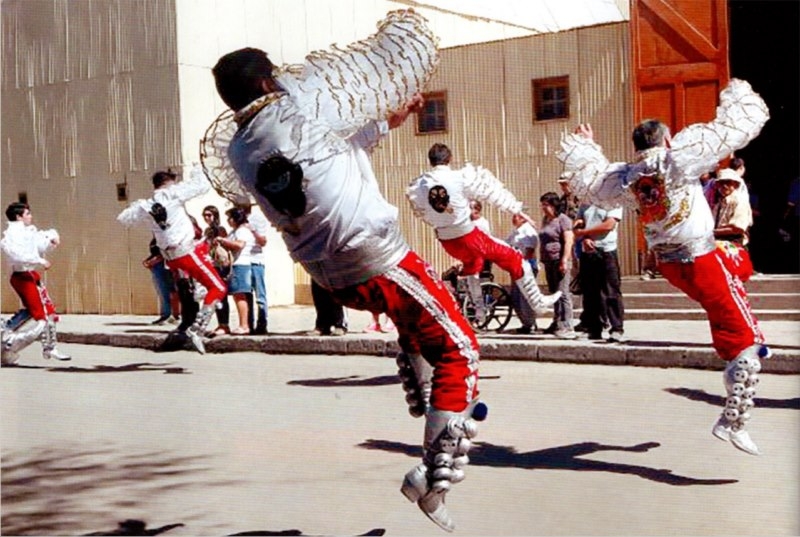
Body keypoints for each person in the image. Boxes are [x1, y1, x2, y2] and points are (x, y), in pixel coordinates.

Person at [205, 10, 485, 531]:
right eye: (276, 73)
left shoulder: (244, 148)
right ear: (268, 82)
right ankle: (433, 478)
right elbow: (342, 115)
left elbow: (332, 154)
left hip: (330, 274)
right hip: (373, 257)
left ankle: (425, 392)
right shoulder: (300, 111)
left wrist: (387, 123)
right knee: (461, 348)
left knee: (419, 328)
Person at [557, 78, 770, 455]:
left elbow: (590, 179)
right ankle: (733, 421)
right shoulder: (677, 161)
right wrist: (738, 96)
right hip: (698, 260)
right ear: (667, 141)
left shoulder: (626, 176)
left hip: (672, 266)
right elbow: (730, 132)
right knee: (750, 341)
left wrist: (587, 144)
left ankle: (729, 353)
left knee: (731, 287)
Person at [406, 143, 559, 324]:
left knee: (472, 267)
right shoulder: (459, 177)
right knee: (516, 259)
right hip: (468, 236)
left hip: (448, 242)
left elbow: (421, 211)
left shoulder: (420, 184)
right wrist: (517, 209)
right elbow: (491, 193)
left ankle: (479, 310)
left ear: (430, 161)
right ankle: (538, 302)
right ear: (450, 159)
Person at [117, 167, 227, 354]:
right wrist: (197, 168)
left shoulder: (147, 204)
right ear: (169, 183)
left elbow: (124, 218)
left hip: (173, 259)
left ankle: (197, 315)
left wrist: (155, 215)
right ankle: (197, 329)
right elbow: (200, 185)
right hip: (185, 252)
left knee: (200, 287)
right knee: (219, 287)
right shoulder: (172, 195)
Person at [0, 202, 71, 364]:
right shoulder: (12, 236)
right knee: (42, 315)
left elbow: (38, 243)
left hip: (30, 275)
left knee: (45, 311)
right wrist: (40, 260)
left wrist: (51, 240)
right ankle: (11, 343)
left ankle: (47, 346)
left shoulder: (27, 232)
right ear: (19, 217)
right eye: (27, 214)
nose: (30, 216)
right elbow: (18, 255)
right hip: (22, 276)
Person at [573, 202, 625, 342]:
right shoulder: (585, 203)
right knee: (590, 292)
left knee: (610, 290)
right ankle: (593, 328)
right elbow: (578, 222)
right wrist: (584, 237)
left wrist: (584, 233)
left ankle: (616, 328)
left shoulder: (613, 201)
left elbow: (609, 225)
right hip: (588, 250)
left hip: (606, 250)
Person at [538, 192, 576, 339]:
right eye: (543, 205)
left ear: (554, 205)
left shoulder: (563, 220)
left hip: (560, 259)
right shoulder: (546, 219)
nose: (544, 208)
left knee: (563, 293)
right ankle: (557, 321)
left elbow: (568, 240)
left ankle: (567, 325)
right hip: (548, 260)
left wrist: (564, 260)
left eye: (546, 205)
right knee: (554, 292)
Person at [215, 207, 256, 335]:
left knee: (239, 295)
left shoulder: (242, 231)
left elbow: (239, 245)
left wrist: (223, 240)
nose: (228, 220)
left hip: (240, 265)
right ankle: (228, 325)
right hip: (233, 265)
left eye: (230, 217)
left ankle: (244, 325)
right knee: (235, 294)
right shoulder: (235, 231)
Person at [504, 212, 540, 334]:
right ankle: (525, 322)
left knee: (525, 297)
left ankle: (529, 323)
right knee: (516, 297)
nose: (514, 218)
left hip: (525, 266)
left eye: (517, 216)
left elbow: (529, 250)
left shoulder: (528, 230)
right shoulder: (516, 231)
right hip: (515, 266)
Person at [202, 205, 232, 335]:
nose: (207, 218)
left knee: (222, 296)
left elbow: (224, 248)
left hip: (220, 266)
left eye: (209, 215)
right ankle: (221, 324)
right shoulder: (207, 230)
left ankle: (224, 325)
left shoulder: (220, 229)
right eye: (204, 215)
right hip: (211, 265)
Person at [240, 203, 269, 335]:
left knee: (260, 295)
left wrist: (253, 230)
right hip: (243, 261)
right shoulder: (238, 219)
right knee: (246, 294)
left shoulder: (257, 218)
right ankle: (248, 324)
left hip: (256, 260)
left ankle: (262, 324)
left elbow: (263, 241)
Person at [711, 168, 753, 248]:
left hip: (733, 243)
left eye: (728, 183)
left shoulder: (740, 201)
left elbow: (737, 229)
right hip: (717, 241)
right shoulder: (718, 200)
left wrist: (712, 233)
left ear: (736, 185)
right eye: (721, 183)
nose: (724, 186)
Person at [143, 237, 180, 325]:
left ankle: (174, 315)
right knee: (163, 292)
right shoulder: (155, 239)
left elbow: (168, 252)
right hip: (158, 267)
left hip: (167, 266)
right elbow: (155, 252)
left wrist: (157, 259)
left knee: (172, 291)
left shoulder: (168, 237)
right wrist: (148, 261)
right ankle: (166, 314)